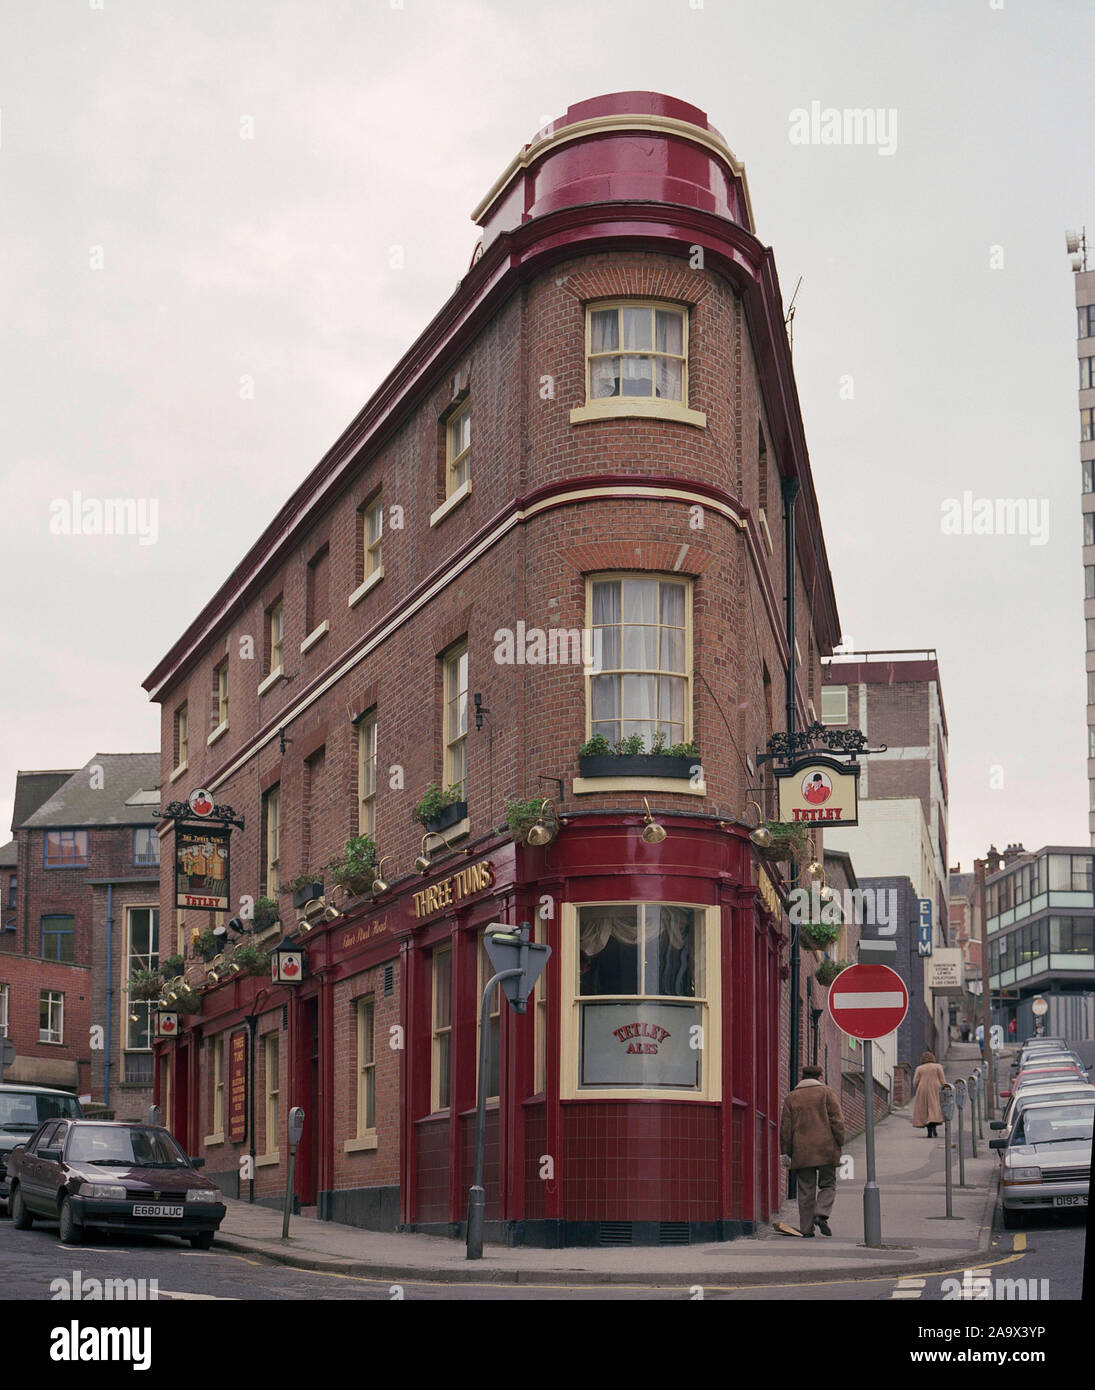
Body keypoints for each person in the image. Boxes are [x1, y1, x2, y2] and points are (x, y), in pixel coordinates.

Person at [779, 1064, 846, 1237]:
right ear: (820, 1077)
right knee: (828, 1184)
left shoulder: (791, 1097)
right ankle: (821, 1212)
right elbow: (837, 1120)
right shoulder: (827, 1092)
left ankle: (807, 1229)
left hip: (802, 1152)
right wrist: (840, 1141)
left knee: (805, 1190)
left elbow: (785, 1129)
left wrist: (786, 1152)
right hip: (826, 1148)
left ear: (802, 1077)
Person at [912, 1049, 947, 1138]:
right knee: (934, 1107)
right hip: (936, 1088)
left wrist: (918, 1088)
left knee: (925, 1109)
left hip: (922, 1088)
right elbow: (942, 1079)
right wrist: (945, 1088)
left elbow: (915, 1081)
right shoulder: (938, 1066)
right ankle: (934, 1127)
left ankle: (929, 1131)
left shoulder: (919, 1068)